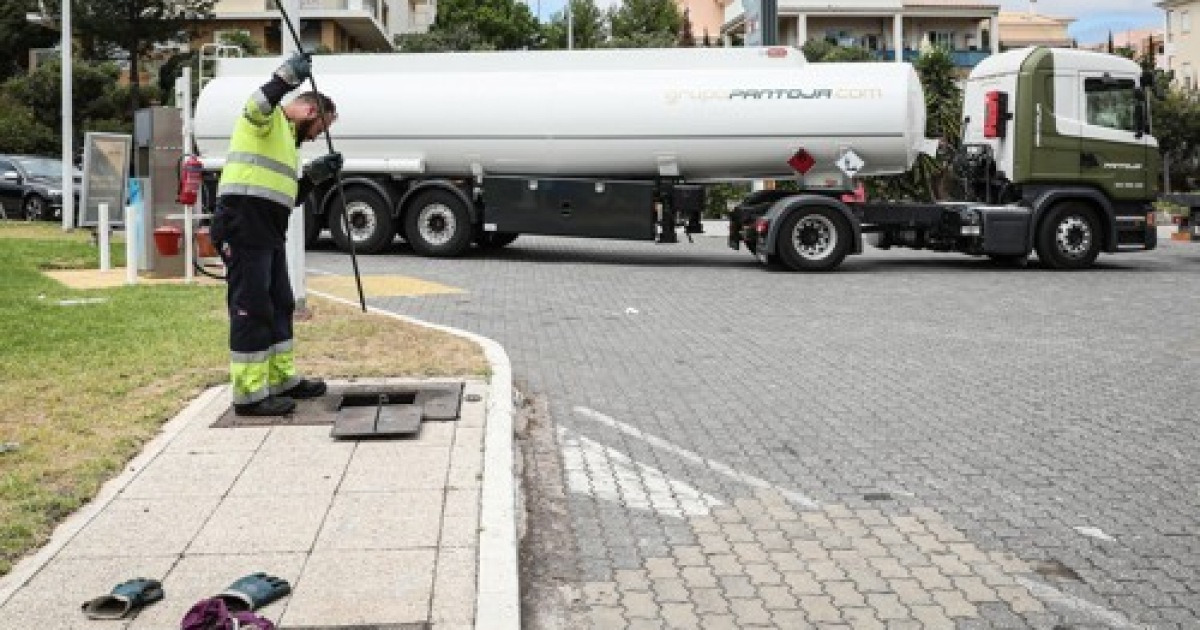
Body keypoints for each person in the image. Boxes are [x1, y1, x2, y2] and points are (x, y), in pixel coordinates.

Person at [210, 52, 344, 416]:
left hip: (267, 230)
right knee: (251, 308)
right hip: (242, 223)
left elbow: (285, 196)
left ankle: (281, 379)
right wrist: (286, 77)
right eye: (321, 130)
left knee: (280, 303)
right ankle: (249, 396)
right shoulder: (265, 121)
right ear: (309, 112)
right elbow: (256, 104)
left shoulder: (286, 141)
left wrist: (313, 178)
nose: (318, 138)